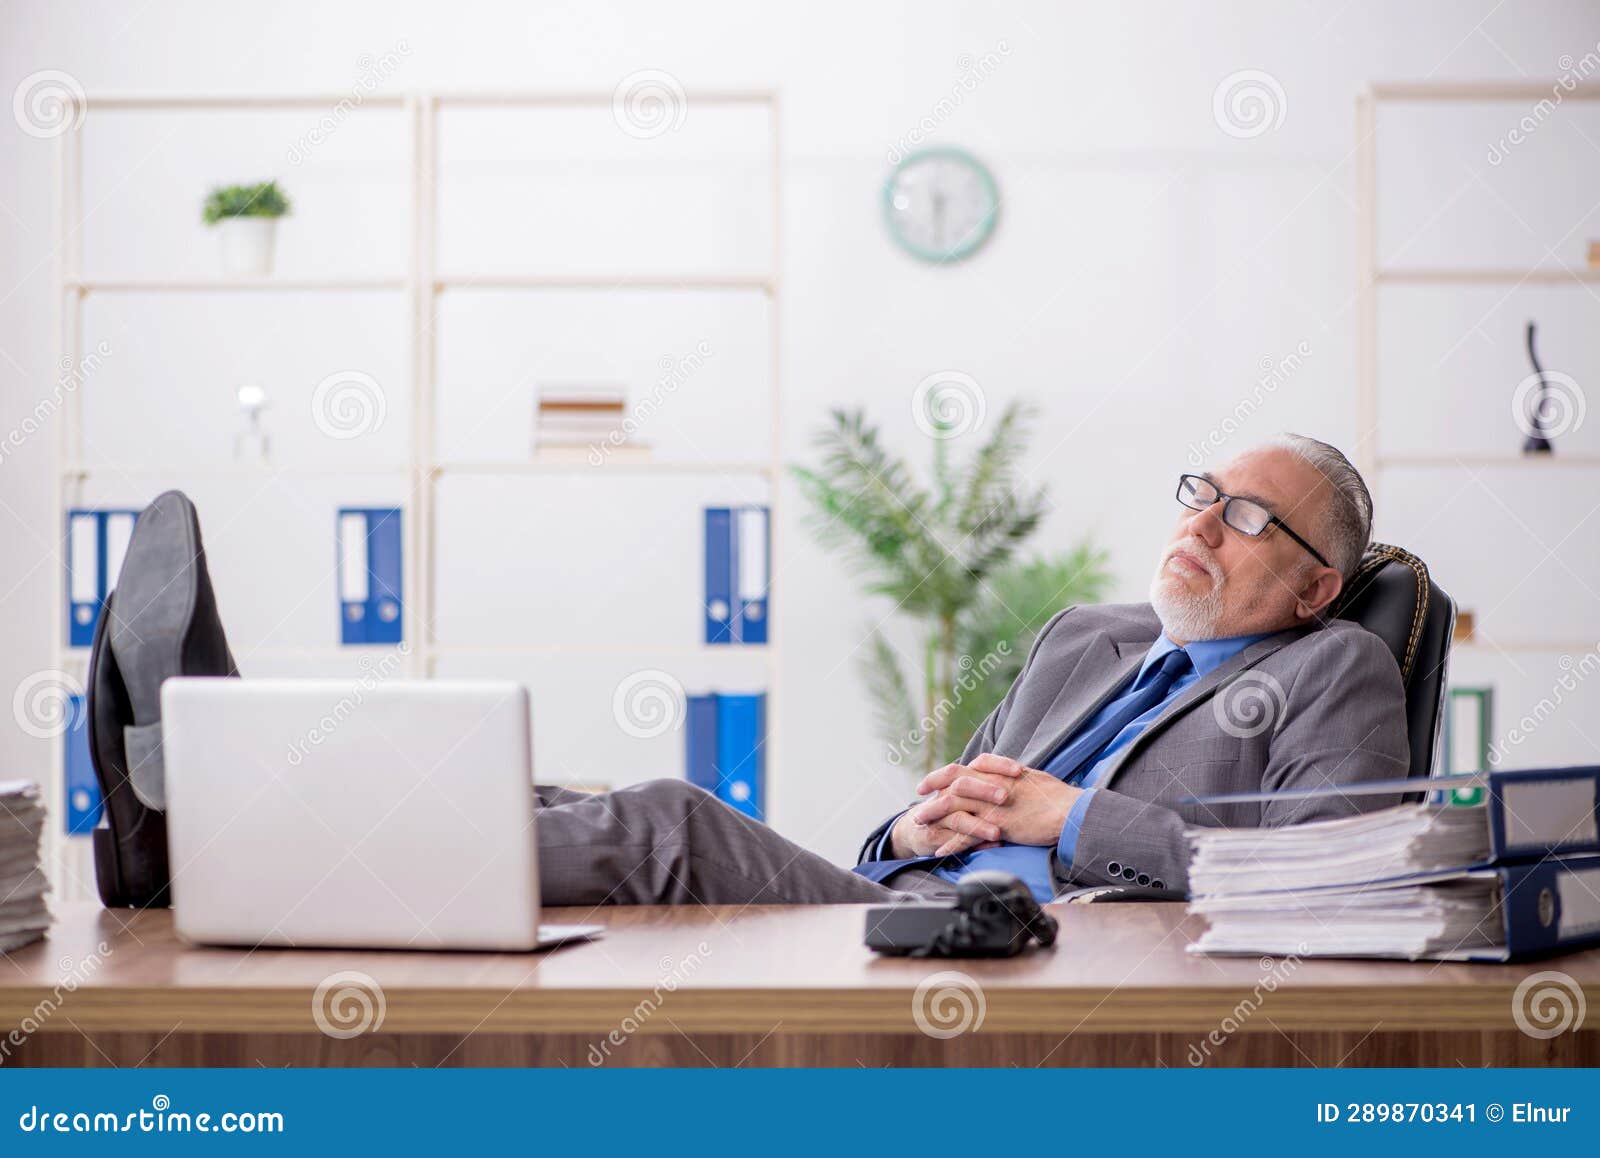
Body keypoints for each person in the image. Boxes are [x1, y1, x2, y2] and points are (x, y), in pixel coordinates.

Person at [533, 432, 1409, 906]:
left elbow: (1317, 877)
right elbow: (935, 814)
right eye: (1200, 494)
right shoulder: (1083, 637)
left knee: (672, 823)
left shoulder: (1333, 664)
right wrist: (912, 832)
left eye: (1248, 517)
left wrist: (1070, 817)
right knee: (552, 803)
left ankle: (396, 869)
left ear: (1314, 587)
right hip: (894, 902)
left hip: (1027, 942)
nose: (1201, 525)